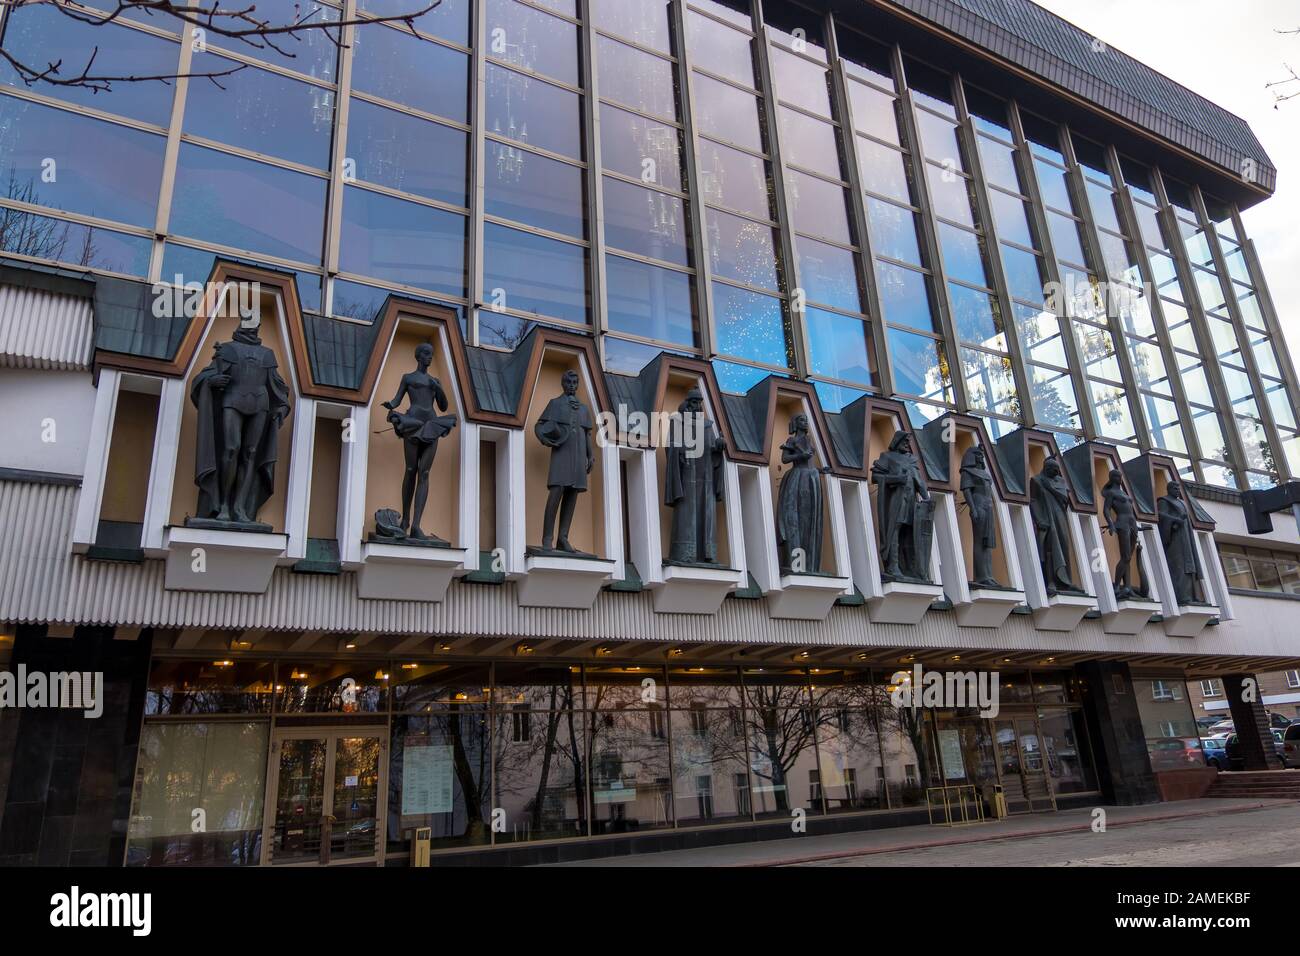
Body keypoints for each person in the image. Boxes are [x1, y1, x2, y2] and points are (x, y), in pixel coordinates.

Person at [190, 307, 291, 525]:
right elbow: (206, 376)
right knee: (230, 449)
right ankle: (223, 505)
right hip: (232, 402)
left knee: (251, 453)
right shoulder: (227, 349)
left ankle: (240, 507)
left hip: (260, 404)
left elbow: (278, 385)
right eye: (250, 321)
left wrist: (281, 407)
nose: (253, 326)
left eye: (257, 323)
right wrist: (211, 382)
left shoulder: (267, 354)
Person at [381, 342, 458, 542]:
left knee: (424, 472)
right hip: (413, 422)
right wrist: (391, 405)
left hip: (431, 423)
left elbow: (443, 406)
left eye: (431, 354)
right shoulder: (408, 378)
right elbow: (397, 399)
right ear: (418, 356)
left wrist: (438, 388)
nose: (429, 357)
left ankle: (416, 524)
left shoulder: (434, 380)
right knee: (410, 470)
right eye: (426, 354)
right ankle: (405, 520)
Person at [664, 388, 726, 565]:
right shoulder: (678, 423)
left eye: (699, 403)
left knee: (706, 515)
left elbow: (713, 448)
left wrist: (719, 446)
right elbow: (670, 446)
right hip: (687, 476)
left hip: (705, 476)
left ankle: (707, 553)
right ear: (687, 403)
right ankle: (685, 554)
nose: (697, 406)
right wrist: (680, 450)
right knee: (686, 514)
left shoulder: (707, 425)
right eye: (693, 402)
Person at [534, 369, 594, 553]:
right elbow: (539, 426)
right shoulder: (555, 403)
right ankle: (547, 538)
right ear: (563, 384)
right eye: (569, 383)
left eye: (575, 383)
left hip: (578, 455)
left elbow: (587, 433)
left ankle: (563, 538)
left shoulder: (583, 408)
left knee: (573, 493)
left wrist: (590, 455)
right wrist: (545, 439)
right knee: (556, 492)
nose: (572, 386)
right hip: (562, 452)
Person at [872, 431, 933, 582]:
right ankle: (893, 566)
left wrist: (927, 499)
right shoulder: (887, 457)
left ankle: (910, 568)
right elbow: (875, 477)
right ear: (897, 441)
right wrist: (895, 479)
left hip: (912, 501)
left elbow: (919, 482)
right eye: (904, 441)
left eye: (908, 441)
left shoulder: (912, 460)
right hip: (896, 499)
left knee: (910, 534)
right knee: (894, 530)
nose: (907, 444)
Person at [776, 414, 823, 573]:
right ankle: (797, 565)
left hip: (812, 479)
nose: (806, 423)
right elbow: (785, 459)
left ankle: (808, 566)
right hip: (798, 478)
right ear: (796, 423)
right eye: (802, 420)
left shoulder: (809, 441)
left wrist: (822, 471)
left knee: (809, 522)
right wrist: (800, 456)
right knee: (795, 521)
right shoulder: (792, 441)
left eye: (806, 420)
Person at [1030, 458, 1077, 595]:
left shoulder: (1060, 481)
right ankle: (1051, 581)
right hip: (1047, 518)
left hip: (1060, 518)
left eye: (1057, 470)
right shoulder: (1036, 480)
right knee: (1050, 548)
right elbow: (1033, 501)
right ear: (1046, 468)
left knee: (1063, 547)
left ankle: (1066, 581)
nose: (1056, 472)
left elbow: (1065, 499)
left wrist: (1050, 488)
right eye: (1054, 469)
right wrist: (1039, 520)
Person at [1159, 481, 1203, 605]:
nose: (1177, 490)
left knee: (1190, 566)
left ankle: (1193, 596)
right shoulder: (1164, 501)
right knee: (1181, 566)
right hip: (1176, 538)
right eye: (1175, 488)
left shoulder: (1182, 503)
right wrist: (1175, 519)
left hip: (1187, 537)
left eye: (1178, 488)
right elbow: (1161, 515)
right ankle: (1184, 596)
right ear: (1169, 489)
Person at [1101, 468, 1143, 598]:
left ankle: (1127, 587)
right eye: (1117, 477)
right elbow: (1106, 510)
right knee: (1125, 557)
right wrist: (1111, 525)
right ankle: (1116, 586)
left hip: (1132, 524)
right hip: (1122, 523)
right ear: (1112, 478)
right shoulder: (1111, 493)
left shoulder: (1123, 493)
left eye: (1120, 476)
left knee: (1128, 558)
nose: (1120, 479)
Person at [960, 445, 998, 588]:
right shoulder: (967, 472)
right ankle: (981, 576)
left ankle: (989, 575)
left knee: (987, 543)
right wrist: (973, 509)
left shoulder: (985, 474)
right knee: (979, 540)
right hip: (978, 504)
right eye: (978, 454)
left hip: (988, 507)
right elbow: (967, 491)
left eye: (981, 455)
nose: (981, 457)